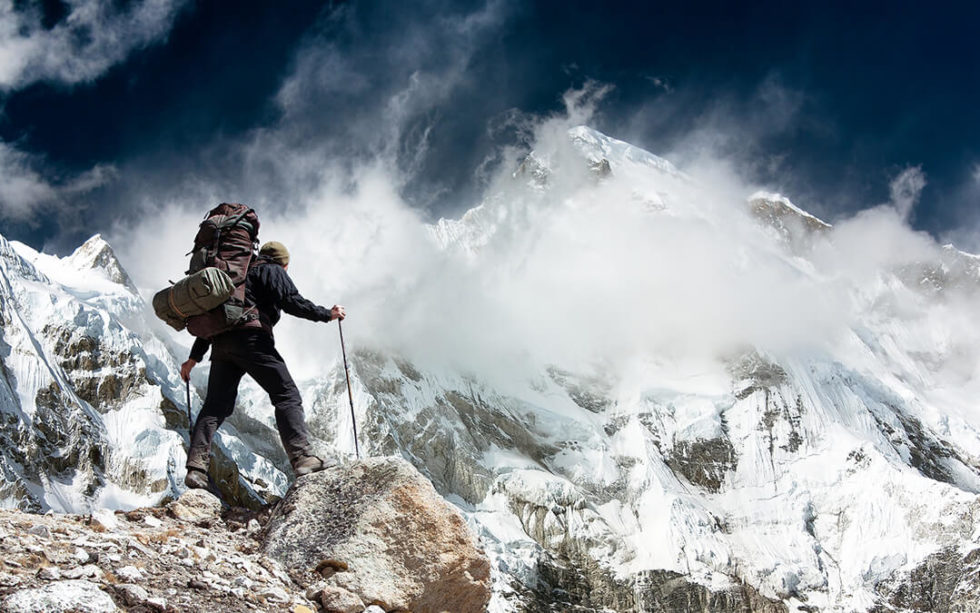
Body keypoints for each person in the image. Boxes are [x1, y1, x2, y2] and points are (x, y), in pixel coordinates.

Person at [180, 240, 345, 490]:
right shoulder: (271, 269)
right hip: (253, 340)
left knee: (215, 406)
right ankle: (302, 457)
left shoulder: (233, 279)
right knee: (286, 393)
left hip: (222, 345)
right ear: (284, 263)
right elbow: (291, 301)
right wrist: (326, 314)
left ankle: (196, 468)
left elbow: (211, 323)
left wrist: (193, 359)